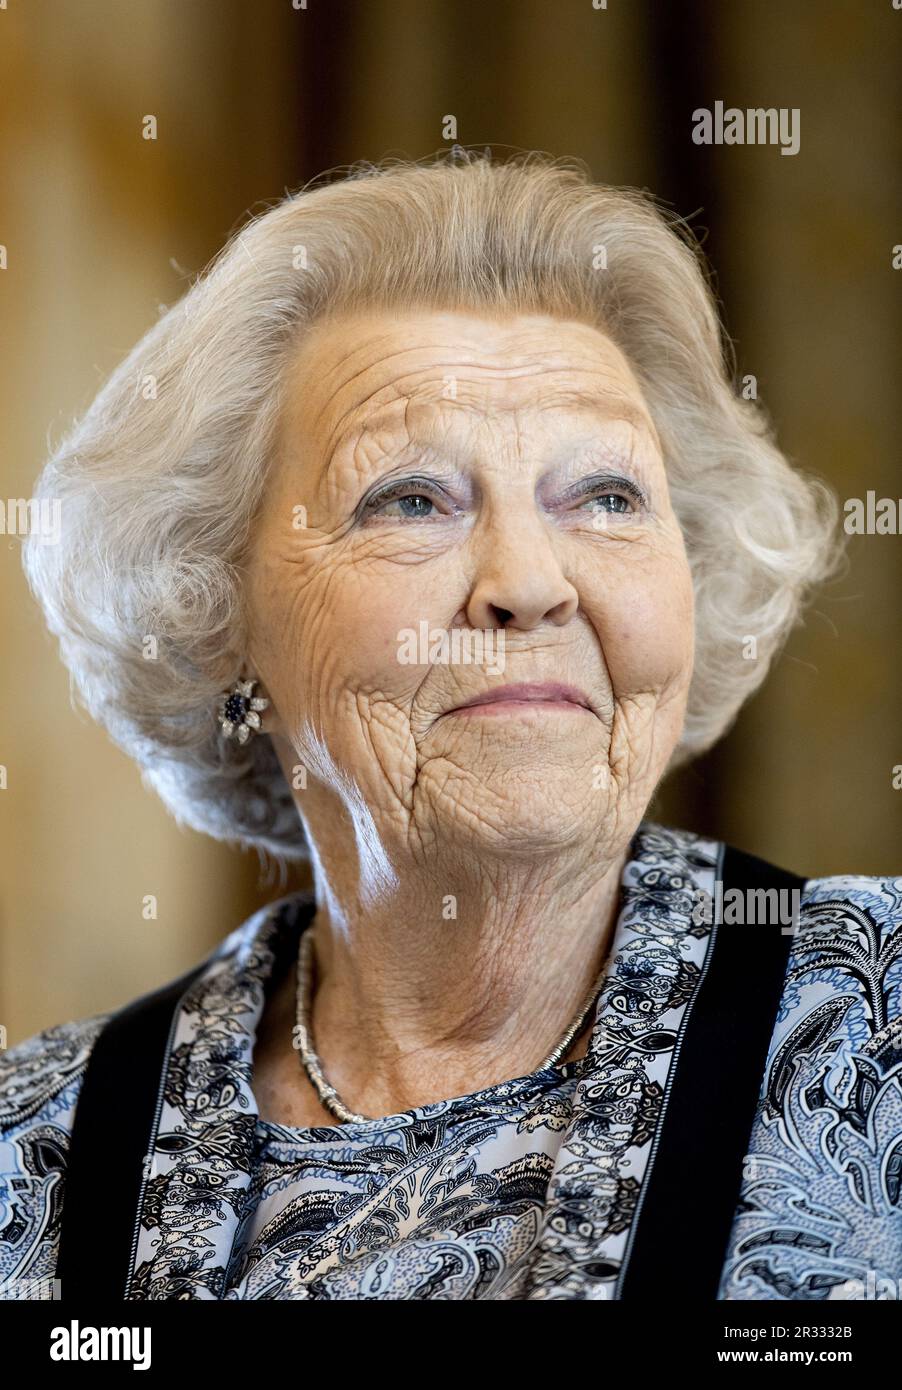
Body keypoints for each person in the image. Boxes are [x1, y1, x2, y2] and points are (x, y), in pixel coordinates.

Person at [2, 150, 899, 1301]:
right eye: (411, 498)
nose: (528, 583)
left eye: (606, 497)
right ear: (215, 611)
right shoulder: (36, 1155)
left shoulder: (869, 1026)